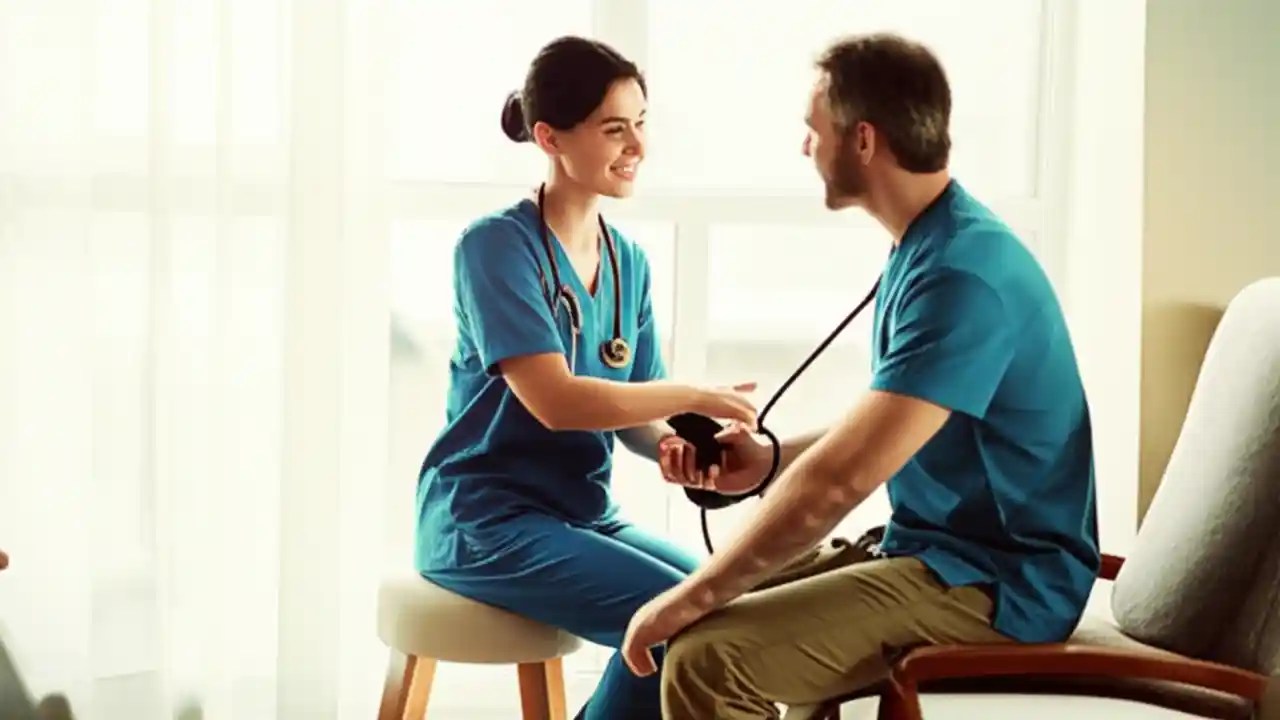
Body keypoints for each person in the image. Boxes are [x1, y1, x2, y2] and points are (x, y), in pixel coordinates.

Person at [622, 32, 1101, 718]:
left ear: (864, 141)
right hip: (938, 555)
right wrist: (770, 457)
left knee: (709, 657)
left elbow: (841, 481)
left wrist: (691, 593)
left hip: (1002, 584)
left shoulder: (965, 276)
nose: (805, 148)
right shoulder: (933, 246)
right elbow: (888, 425)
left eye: (812, 130)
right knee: (706, 626)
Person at [413, 35, 758, 720]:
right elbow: (556, 402)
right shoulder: (494, 248)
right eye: (613, 129)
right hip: (486, 521)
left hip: (582, 513)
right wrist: (693, 393)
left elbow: (633, 417)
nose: (637, 145)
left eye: (641, 123)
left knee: (729, 604)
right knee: (670, 621)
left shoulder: (628, 262)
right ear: (550, 137)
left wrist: (674, 444)